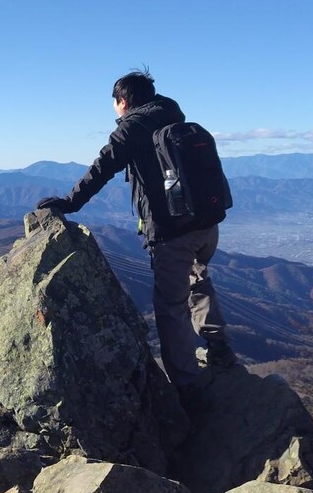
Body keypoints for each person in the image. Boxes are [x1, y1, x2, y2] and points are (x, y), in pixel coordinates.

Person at [37, 69, 237, 389]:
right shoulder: (174, 114)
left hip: (173, 232)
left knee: (171, 308)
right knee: (199, 281)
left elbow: (102, 168)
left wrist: (69, 203)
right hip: (207, 223)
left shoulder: (132, 128)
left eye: (115, 103)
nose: (115, 109)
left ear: (123, 101)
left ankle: (187, 388)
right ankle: (220, 348)